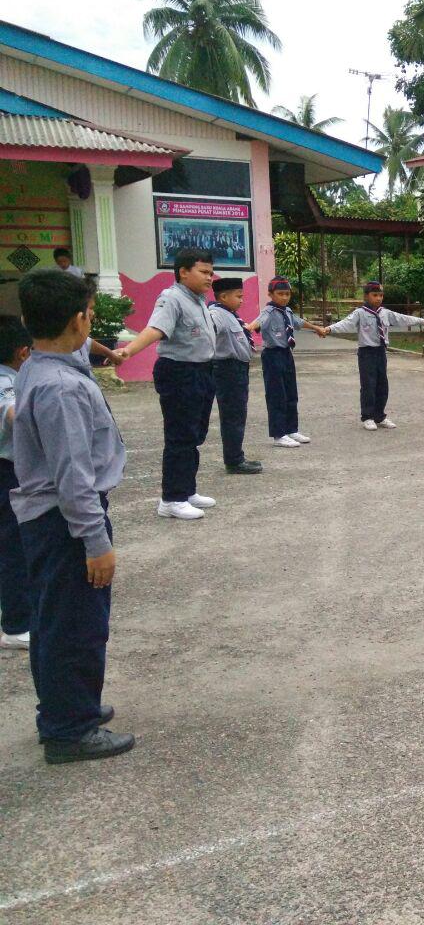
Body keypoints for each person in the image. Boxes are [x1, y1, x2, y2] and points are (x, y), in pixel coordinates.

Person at [11, 269, 133, 763]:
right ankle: (69, 729)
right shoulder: (61, 388)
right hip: (66, 520)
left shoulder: (39, 366)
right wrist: (96, 541)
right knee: (76, 624)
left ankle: (64, 706)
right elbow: (73, 478)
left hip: (47, 519)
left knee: (54, 619)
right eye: (88, 314)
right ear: (81, 321)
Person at [118, 248, 218, 521]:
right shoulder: (172, 298)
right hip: (180, 373)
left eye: (211, 272)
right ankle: (171, 499)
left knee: (195, 434)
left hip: (201, 372)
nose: (210, 277)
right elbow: (156, 329)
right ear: (183, 272)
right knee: (180, 436)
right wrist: (129, 350)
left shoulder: (198, 299)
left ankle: (187, 490)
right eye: (204, 272)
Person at [324, 281, 424, 429]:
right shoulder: (360, 313)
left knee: (382, 385)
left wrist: (423, 321)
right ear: (366, 296)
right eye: (375, 295)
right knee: (368, 384)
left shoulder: (385, 313)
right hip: (366, 352)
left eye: (381, 295)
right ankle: (367, 416)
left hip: (381, 351)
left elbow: (403, 318)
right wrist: (328, 329)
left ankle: (379, 416)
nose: (378, 298)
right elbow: (345, 324)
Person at [250, 277, 327, 447]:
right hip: (272, 355)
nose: (284, 297)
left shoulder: (287, 311)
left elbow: (299, 322)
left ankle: (292, 429)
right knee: (277, 395)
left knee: (291, 393)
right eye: (280, 294)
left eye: (287, 294)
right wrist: (248, 328)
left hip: (286, 354)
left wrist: (316, 329)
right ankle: (279, 434)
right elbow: (258, 322)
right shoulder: (268, 312)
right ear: (270, 294)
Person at [0, 316, 34, 651]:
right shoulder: (6, 381)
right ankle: (15, 623)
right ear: (23, 352)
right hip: (7, 470)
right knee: (13, 545)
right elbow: (10, 410)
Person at [208, 278, 262, 474]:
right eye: (238, 296)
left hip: (237, 369)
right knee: (232, 415)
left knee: (238, 414)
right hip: (227, 369)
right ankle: (234, 460)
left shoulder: (230, 314)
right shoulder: (217, 315)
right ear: (223, 296)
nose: (242, 300)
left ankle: (236, 456)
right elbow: (208, 333)